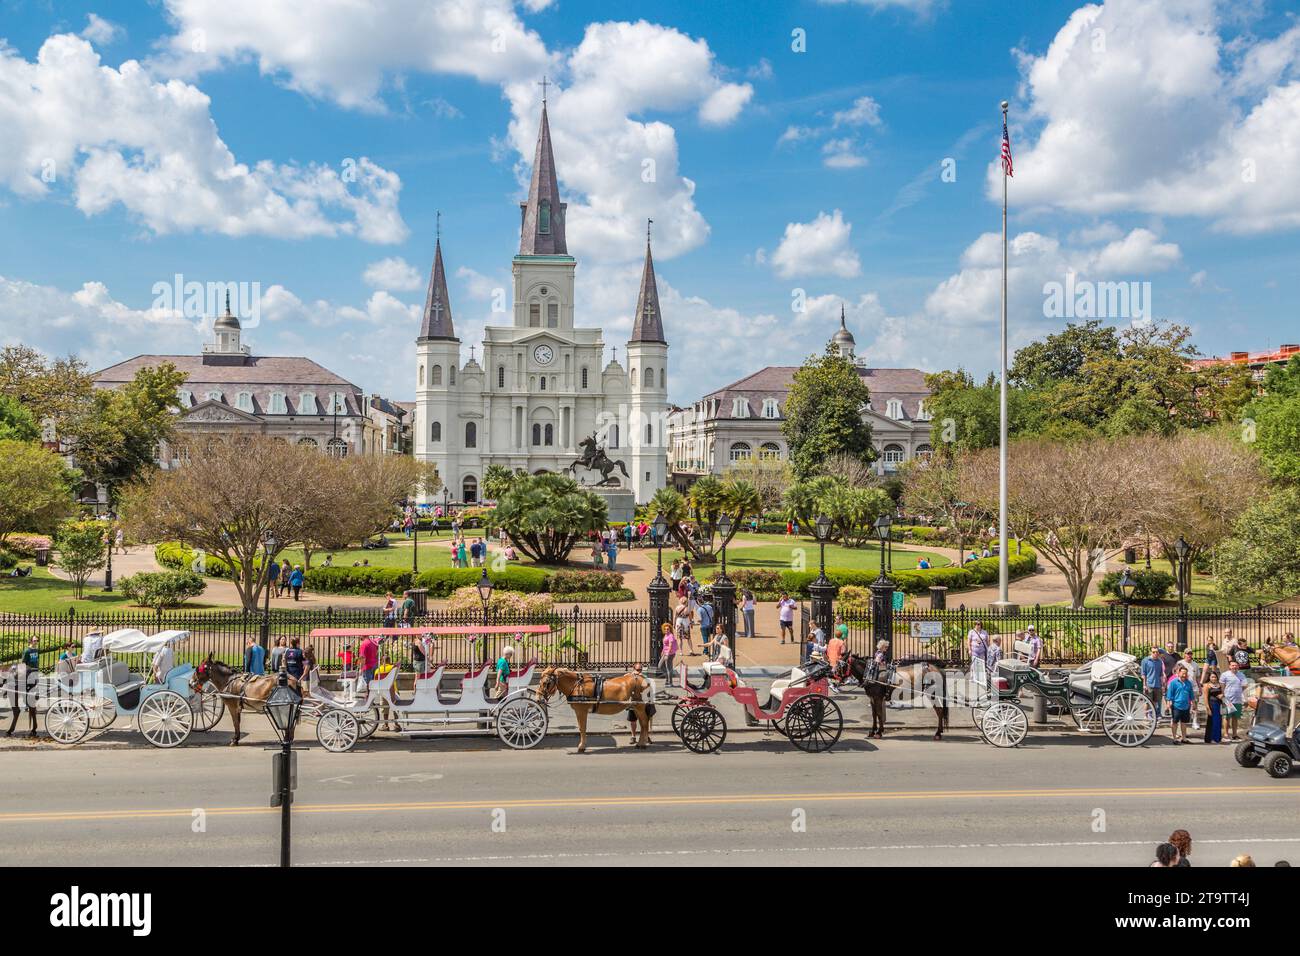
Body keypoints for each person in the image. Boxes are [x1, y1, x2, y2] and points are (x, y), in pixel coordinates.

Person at [1166, 665, 1195, 743]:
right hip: (1176, 706)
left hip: (1186, 706)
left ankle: (1184, 738)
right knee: (1175, 722)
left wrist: (1193, 704)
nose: (1184, 675)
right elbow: (1169, 694)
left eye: (1185, 673)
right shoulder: (1173, 682)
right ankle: (1174, 738)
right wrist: (1168, 703)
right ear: (1178, 673)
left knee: (1184, 723)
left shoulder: (1188, 683)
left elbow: (1191, 694)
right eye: (1182, 673)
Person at [1221, 660, 1247, 740]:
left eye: (1236, 665)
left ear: (1238, 666)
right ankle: (1225, 734)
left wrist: (1240, 692)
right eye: (1232, 665)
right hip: (1227, 699)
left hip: (1238, 699)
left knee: (1235, 718)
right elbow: (1222, 686)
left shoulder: (1241, 675)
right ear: (1229, 666)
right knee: (1226, 717)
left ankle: (1234, 734)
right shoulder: (1225, 674)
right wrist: (1223, 696)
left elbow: (1245, 685)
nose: (1234, 667)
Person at [1180, 649, 1201, 730]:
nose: (1189, 655)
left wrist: (1199, 687)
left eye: (1191, 654)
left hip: (1194, 688)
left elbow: (1198, 677)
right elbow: (1175, 674)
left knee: (1195, 705)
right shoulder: (1180, 663)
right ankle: (1184, 721)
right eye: (1188, 653)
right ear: (1184, 654)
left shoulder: (1195, 664)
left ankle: (1195, 722)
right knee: (1184, 705)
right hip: (1183, 687)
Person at [1142, 647, 1166, 717]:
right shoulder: (1145, 660)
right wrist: (1144, 685)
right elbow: (1143, 674)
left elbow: (1161, 675)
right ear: (1150, 652)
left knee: (1155, 702)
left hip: (1157, 684)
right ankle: (1145, 716)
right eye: (1153, 652)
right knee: (1147, 702)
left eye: (1157, 652)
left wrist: (1162, 685)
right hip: (1149, 684)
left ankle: (1152, 716)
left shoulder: (1159, 661)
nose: (1155, 653)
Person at [1202, 669, 1223, 744]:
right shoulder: (1207, 685)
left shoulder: (1220, 685)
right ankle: (1210, 738)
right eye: (1212, 677)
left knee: (1219, 722)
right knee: (1212, 722)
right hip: (1212, 705)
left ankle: (1218, 738)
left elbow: (1224, 693)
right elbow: (1205, 698)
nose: (1214, 678)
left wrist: (1221, 696)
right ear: (1209, 678)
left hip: (1219, 705)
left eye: (1215, 677)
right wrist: (1208, 708)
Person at [968, 620, 990, 687]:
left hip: (982, 651)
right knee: (974, 664)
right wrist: (969, 650)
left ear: (981, 625)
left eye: (979, 624)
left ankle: (980, 678)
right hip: (974, 651)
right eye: (976, 624)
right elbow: (968, 642)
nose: (978, 625)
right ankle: (973, 677)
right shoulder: (971, 632)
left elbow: (987, 641)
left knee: (981, 664)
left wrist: (988, 650)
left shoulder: (984, 632)